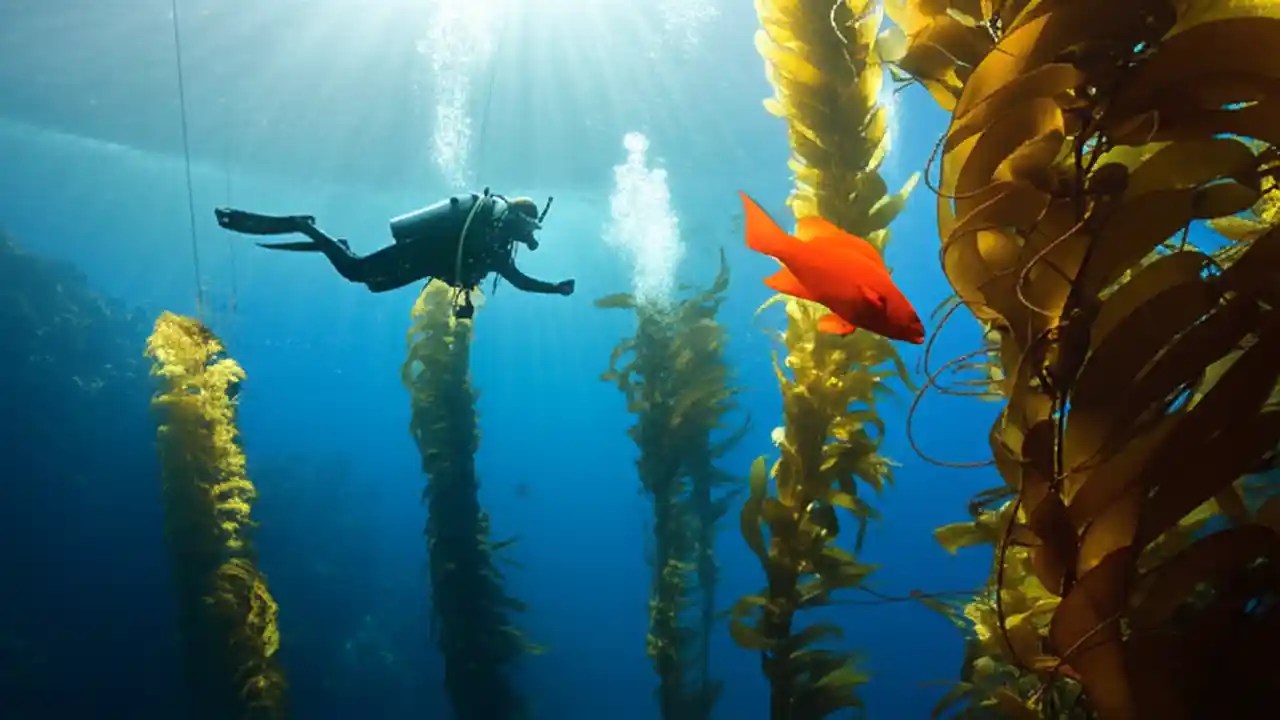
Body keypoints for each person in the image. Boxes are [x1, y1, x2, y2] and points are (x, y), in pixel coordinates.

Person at [213, 189, 575, 318]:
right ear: (517, 220)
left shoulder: (496, 249)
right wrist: (555, 289)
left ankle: (336, 244)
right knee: (355, 272)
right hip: (417, 253)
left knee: (371, 283)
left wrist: (555, 288)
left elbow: (520, 281)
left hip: (419, 264)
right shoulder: (487, 237)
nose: (530, 235)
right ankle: (303, 225)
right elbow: (520, 281)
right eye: (530, 227)